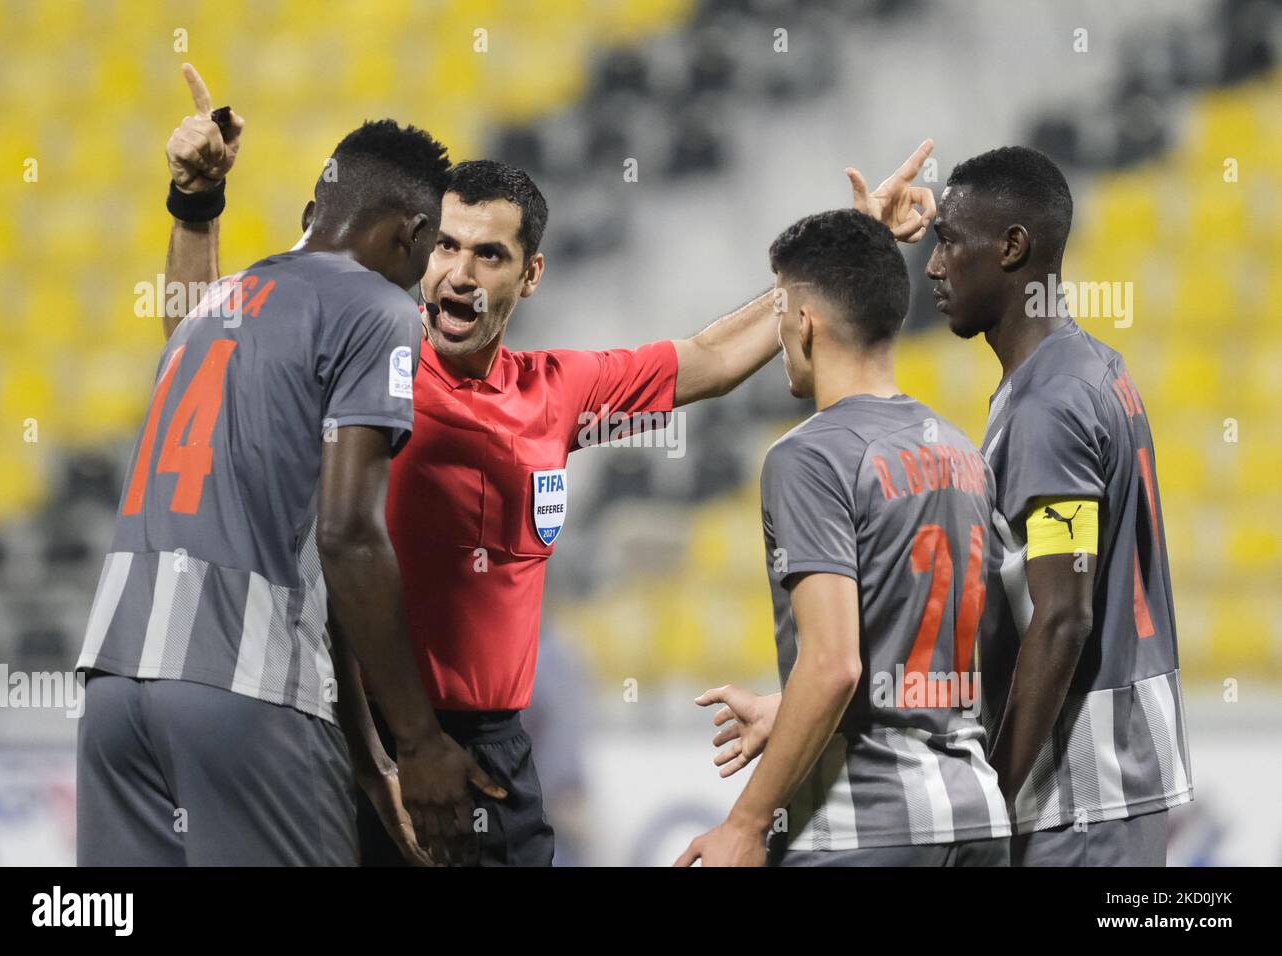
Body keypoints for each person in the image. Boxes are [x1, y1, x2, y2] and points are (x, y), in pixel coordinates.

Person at [162, 63, 937, 865]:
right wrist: (195, 205)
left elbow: (707, 357)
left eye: (489, 255)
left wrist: (850, 253)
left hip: (496, 755)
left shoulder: (557, 392)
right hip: (364, 743)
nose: (460, 274)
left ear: (530, 275)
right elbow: (199, 354)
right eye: (446, 247)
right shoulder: (364, 365)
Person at [76, 109, 474, 865]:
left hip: (114, 687)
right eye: (432, 250)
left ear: (311, 215)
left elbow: (182, 326)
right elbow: (347, 535)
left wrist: (195, 201)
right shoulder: (380, 310)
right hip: (245, 690)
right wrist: (418, 741)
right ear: (410, 234)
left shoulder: (215, 309)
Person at [676, 210, 1009, 866]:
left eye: (778, 310)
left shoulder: (809, 457)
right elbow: (953, 651)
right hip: (975, 814)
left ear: (803, 323)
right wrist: (790, 708)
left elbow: (833, 665)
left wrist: (744, 824)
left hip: (865, 825)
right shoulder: (961, 451)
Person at [926, 146, 1192, 866]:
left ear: (1013, 247)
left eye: (950, 241)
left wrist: (992, 802)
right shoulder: (1092, 368)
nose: (934, 266)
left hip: (1080, 802)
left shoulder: (1050, 404)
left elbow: (1065, 614)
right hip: (1113, 791)